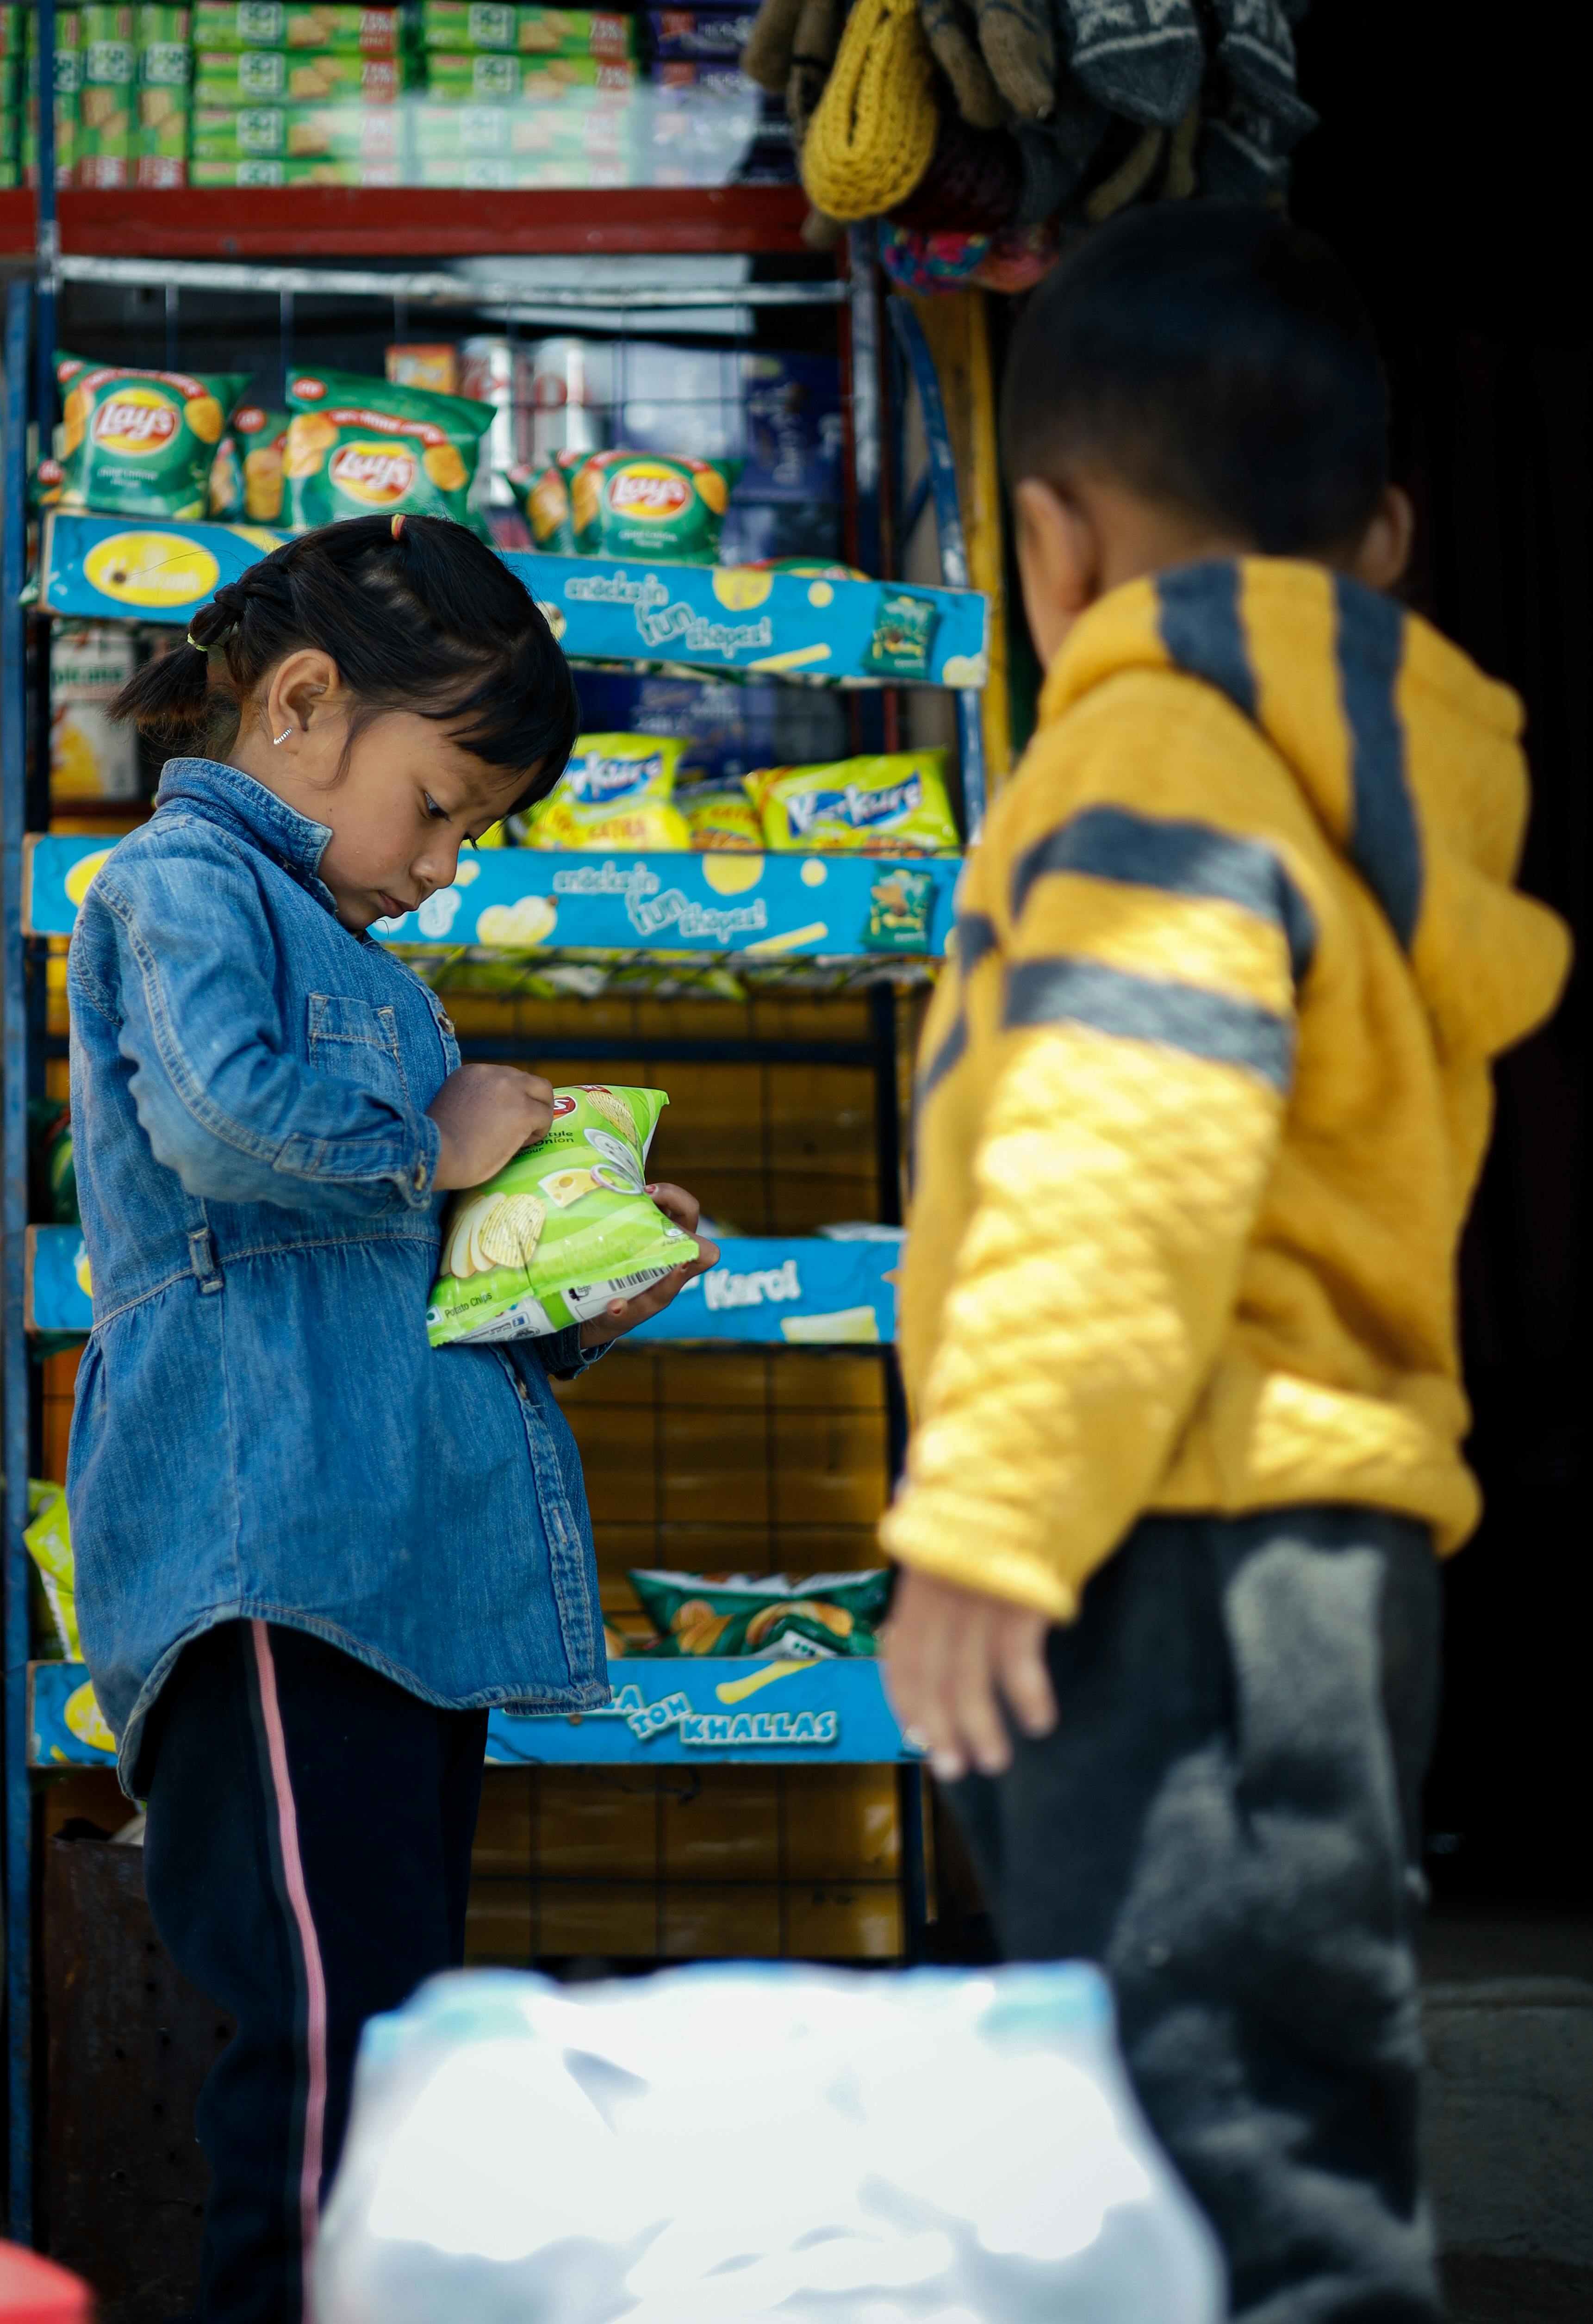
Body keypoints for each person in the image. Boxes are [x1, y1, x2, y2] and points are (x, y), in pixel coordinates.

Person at [880, 204, 1571, 2321]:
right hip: (1314, 1542)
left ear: (1050, 546)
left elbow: (1118, 1153)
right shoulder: (1358, 788)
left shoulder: (1151, 761)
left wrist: (991, 1515)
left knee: (1220, 2160)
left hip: (1169, 1535)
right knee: (1271, 2104)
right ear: (1376, 543)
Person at [64, 514, 715, 2324]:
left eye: (469, 835)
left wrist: (568, 1271)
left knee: (396, 2048)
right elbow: (216, 1123)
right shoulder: (176, 890)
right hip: (270, 1570)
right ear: (300, 703)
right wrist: (439, 1141)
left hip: (404, 1583)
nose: (443, 867)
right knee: (326, 2058)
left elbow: (409, 1276)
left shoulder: (379, 977)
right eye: (437, 808)